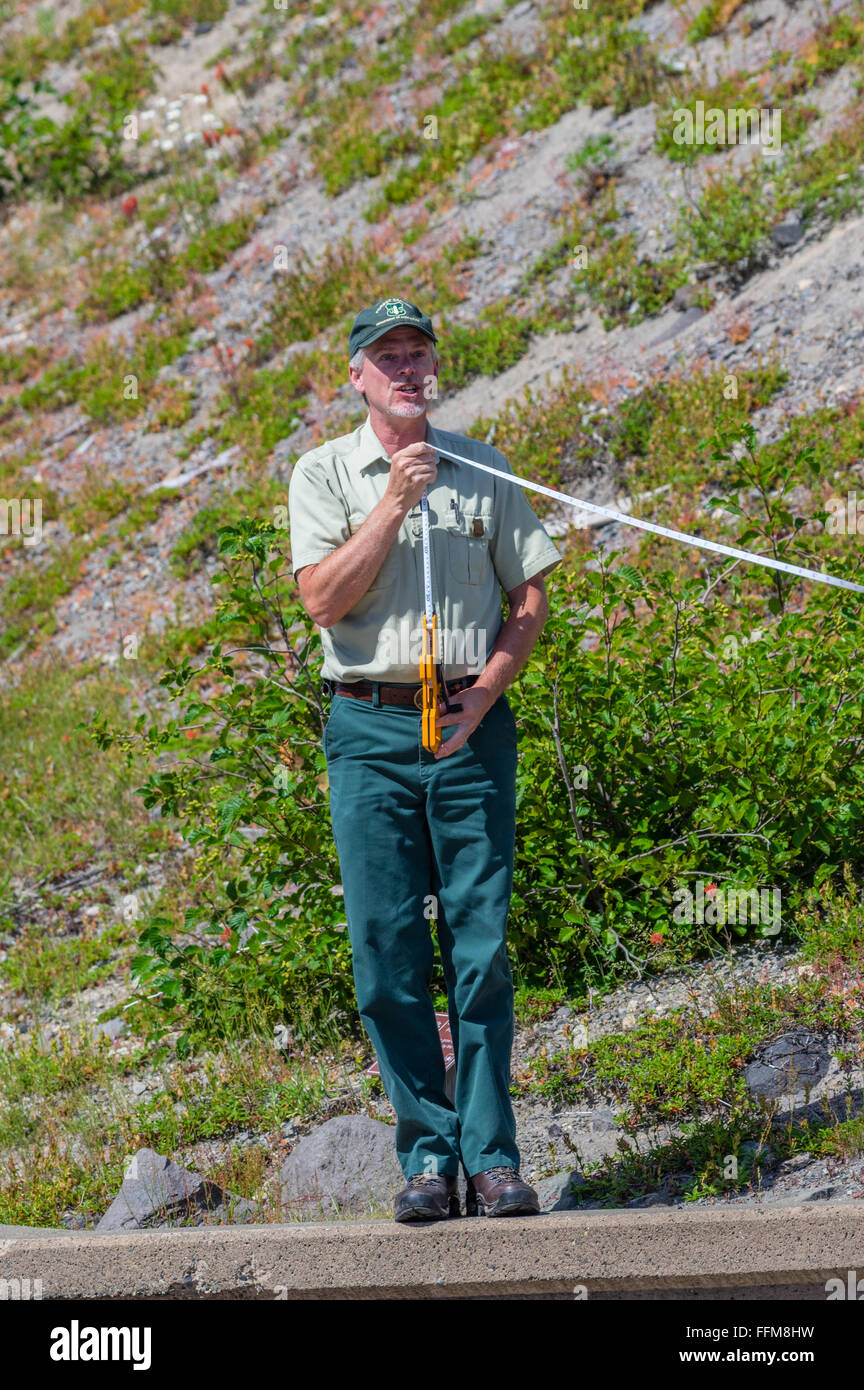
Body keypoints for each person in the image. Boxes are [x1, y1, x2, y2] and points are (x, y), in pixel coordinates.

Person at [288, 296, 563, 1220]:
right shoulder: (324, 473)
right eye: (387, 356)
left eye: (418, 353)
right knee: (386, 952)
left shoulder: (483, 467)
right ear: (356, 377)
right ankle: (426, 1160)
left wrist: (488, 690)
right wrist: (394, 503)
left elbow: (529, 593)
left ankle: (492, 1157)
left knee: (480, 946)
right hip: (370, 727)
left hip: (470, 722)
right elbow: (323, 600)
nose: (406, 368)